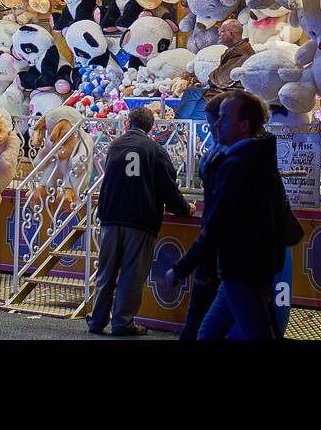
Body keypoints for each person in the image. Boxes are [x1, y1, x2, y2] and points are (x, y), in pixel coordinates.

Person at [88, 106, 191, 336]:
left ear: (128, 123)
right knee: (132, 274)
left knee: (106, 271)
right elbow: (168, 188)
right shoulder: (155, 150)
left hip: (111, 217)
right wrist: (184, 209)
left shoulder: (115, 146)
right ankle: (122, 322)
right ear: (151, 127)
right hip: (139, 219)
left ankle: (97, 320)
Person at [195, 90, 288, 340]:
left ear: (242, 125)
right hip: (236, 267)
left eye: (222, 119)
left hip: (240, 267)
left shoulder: (241, 162)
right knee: (209, 331)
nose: (215, 127)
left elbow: (258, 220)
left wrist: (187, 265)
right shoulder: (235, 157)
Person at [165, 93, 228, 340]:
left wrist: (182, 268)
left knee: (202, 328)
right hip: (230, 266)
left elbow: (215, 226)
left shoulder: (231, 160)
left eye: (214, 123)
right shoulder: (226, 155)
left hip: (229, 266)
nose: (211, 130)